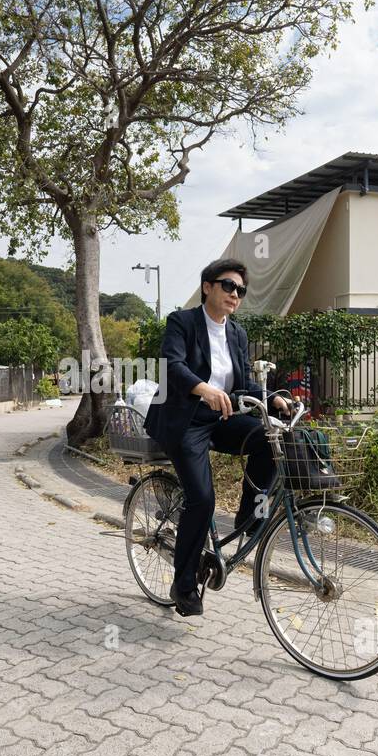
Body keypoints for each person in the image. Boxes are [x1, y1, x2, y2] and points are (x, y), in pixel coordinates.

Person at [144, 259, 290, 618]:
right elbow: (172, 364)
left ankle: (248, 518)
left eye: (241, 290)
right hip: (185, 421)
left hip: (222, 417)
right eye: (228, 286)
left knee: (268, 438)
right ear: (208, 286)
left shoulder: (236, 333)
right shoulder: (183, 322)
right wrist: (203, 388)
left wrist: (272, 398)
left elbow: (242, 383)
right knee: (202, 499)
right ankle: (183, 583)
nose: (235, 295)